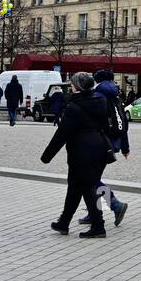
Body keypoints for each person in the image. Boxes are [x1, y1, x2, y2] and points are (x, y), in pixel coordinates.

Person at [40, 72, 110, 238]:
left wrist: (47, 155)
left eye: (72, 83)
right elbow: (107, 126)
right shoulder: (100, 101)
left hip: (82, 151)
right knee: (75, 187)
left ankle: (98, 225)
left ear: (77, 86)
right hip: (99, 147)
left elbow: (62, 134)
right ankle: (64, 222)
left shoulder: (74, 107)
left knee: (87, 188)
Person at [85, 68, 129, 227]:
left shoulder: (98, 95)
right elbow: (124, 123)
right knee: (92, 179)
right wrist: (125, 146)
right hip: (112, 143)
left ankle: (115, 205)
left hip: (99, 143)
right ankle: (93, 213)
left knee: (91, 180)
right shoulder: (116, 96)